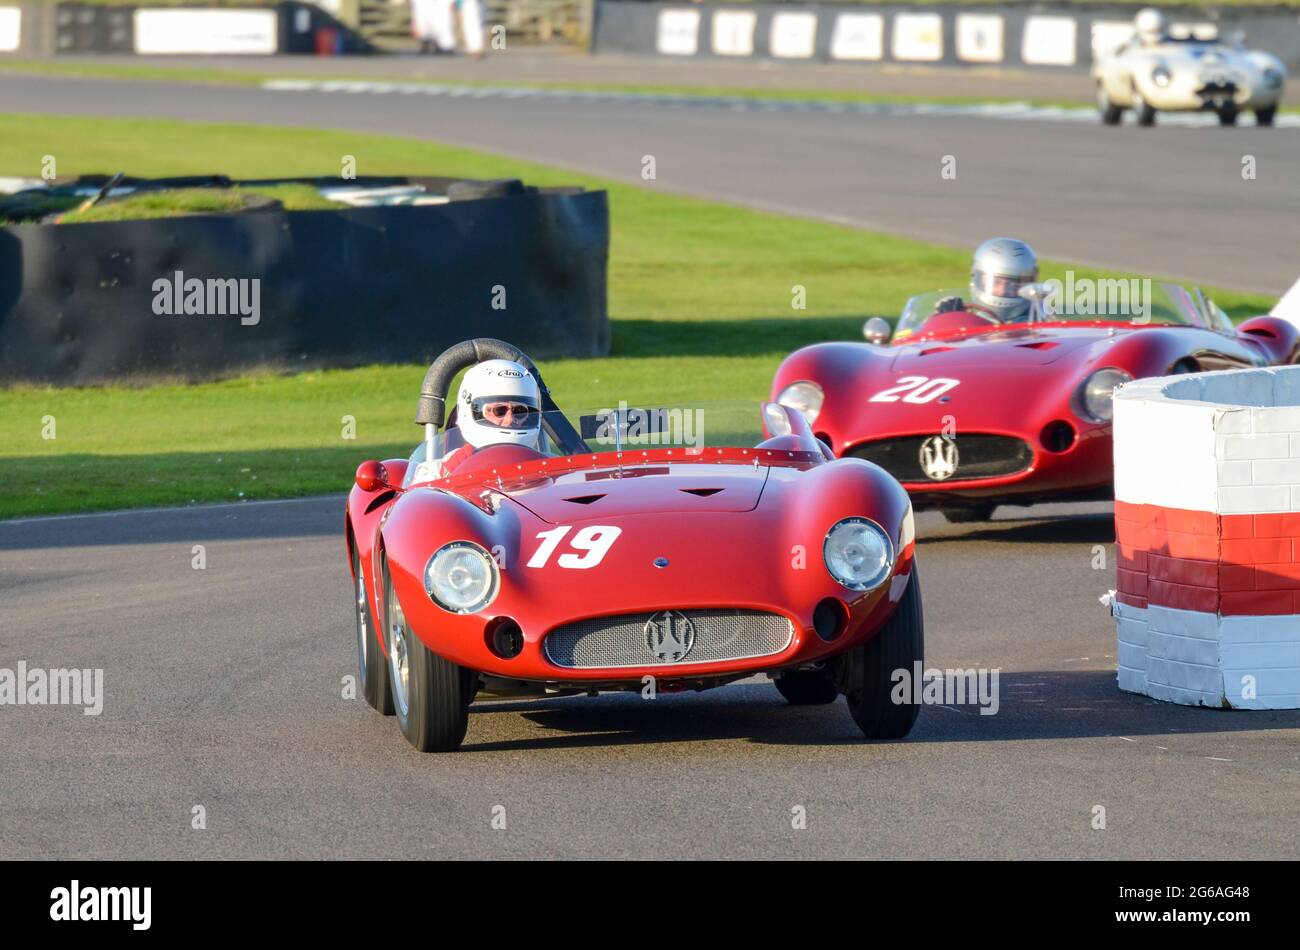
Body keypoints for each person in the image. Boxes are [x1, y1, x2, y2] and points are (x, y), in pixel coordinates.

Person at [425, 359, 543, 478]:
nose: (510, 420)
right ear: (471, 411)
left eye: (520, 411)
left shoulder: (548, 466)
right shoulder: (436, 473)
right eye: (499, 410)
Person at [933, 237, 1040, 324]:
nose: (1002, 291)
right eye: (996, 282)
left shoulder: (1040, 321)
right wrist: (947, 318)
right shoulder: (963, 317)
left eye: (1012, 285)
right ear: (977, 278)